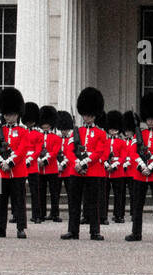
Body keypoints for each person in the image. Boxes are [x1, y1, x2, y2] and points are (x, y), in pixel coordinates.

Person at [62, 87, 108, 241]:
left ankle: (94, 231)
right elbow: (68, 149)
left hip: (93, 171)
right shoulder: (77, 131)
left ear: (94, 115)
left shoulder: (101, 133)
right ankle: (73, 230)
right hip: (76, 171)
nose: (87, 118)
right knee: (74, 202)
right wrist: (76, 162)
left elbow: (100, 151)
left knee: (92, 203)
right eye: (86, 115)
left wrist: (85, 162)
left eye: (90, 115)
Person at [0, 86, 31, 239]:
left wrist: (10, 162)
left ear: (17, 114)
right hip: (1, 172)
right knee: (1, 201)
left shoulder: (23, 131)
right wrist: (0, 162)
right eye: (6, 114)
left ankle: (20, 228)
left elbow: (23, 149)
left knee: (19, 201)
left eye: (11, 115)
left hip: (17, 171)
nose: (8, 117)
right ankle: (0, 228)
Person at [126, 93, 153, 243]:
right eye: (149, 118)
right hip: (140, 174)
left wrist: (150, 167)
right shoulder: (140, 134)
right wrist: (141, 166)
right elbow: (132, 152)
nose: (151, 121)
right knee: (137, 205)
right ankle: (136, 232)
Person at [37, 105, 62, 222]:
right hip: (40, 169)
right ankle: (41, 213)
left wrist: (45, 160)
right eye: (43, 123)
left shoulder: (56, 137)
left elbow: (55, 152)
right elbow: (35, 149)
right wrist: (38, 160)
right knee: (41, 192)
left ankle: (55, 213)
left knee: (54, 193)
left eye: (47, 123)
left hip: (51, 168)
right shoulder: (38, 136)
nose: (45, 125)